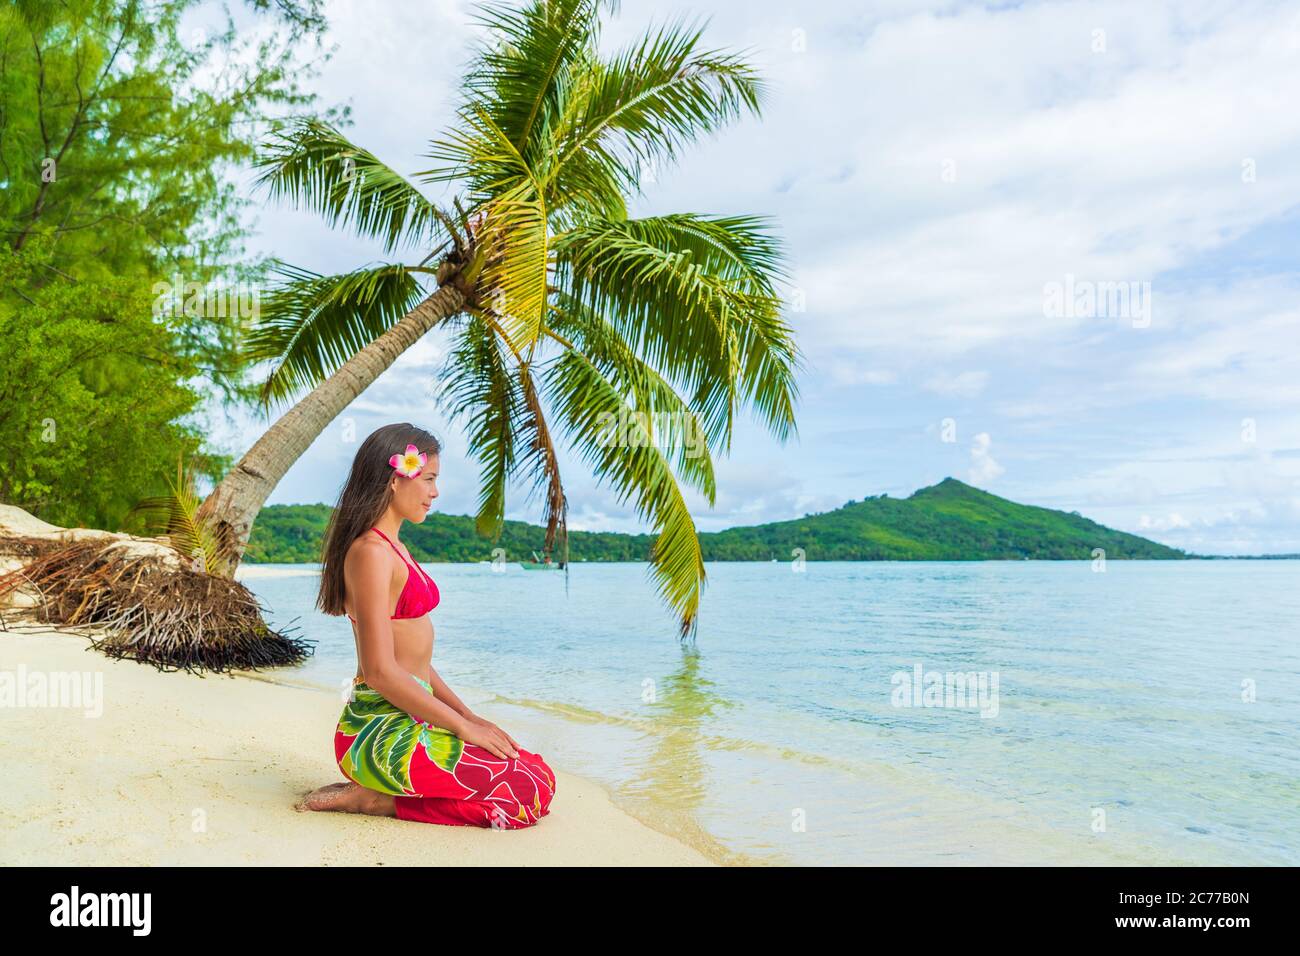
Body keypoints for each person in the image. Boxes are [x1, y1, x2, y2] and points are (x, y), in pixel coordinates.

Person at [296, 422, 556, 828]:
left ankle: (381, 792)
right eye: (429, 479)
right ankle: (374, 801)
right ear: (396, 480)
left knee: (535, 772)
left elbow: (416, 664)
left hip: (414, 715)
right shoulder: (371, 553)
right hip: (377, 729)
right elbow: (381, 672)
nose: (435, 493)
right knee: (525, 794)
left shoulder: (394, 546)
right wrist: (462, 727)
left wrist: (473, 718)